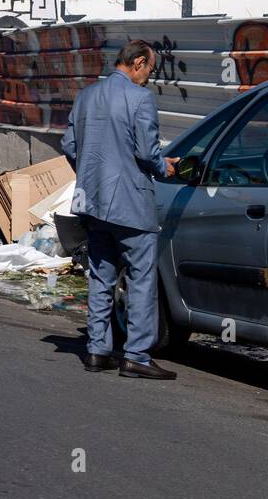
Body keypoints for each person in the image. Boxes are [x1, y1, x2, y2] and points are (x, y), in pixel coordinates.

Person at [61, 39, 179, 380]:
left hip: (92, 202)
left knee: (101, 274)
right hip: (130, 202)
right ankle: (136, 356)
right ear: (138, 63)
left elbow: (70, 145)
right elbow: (146, 151)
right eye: (150, 70)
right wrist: (165, 167)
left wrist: (92, 174)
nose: (149, 78)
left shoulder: (85, 96)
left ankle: (98, 350)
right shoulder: (140, 98)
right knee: (141, 279)